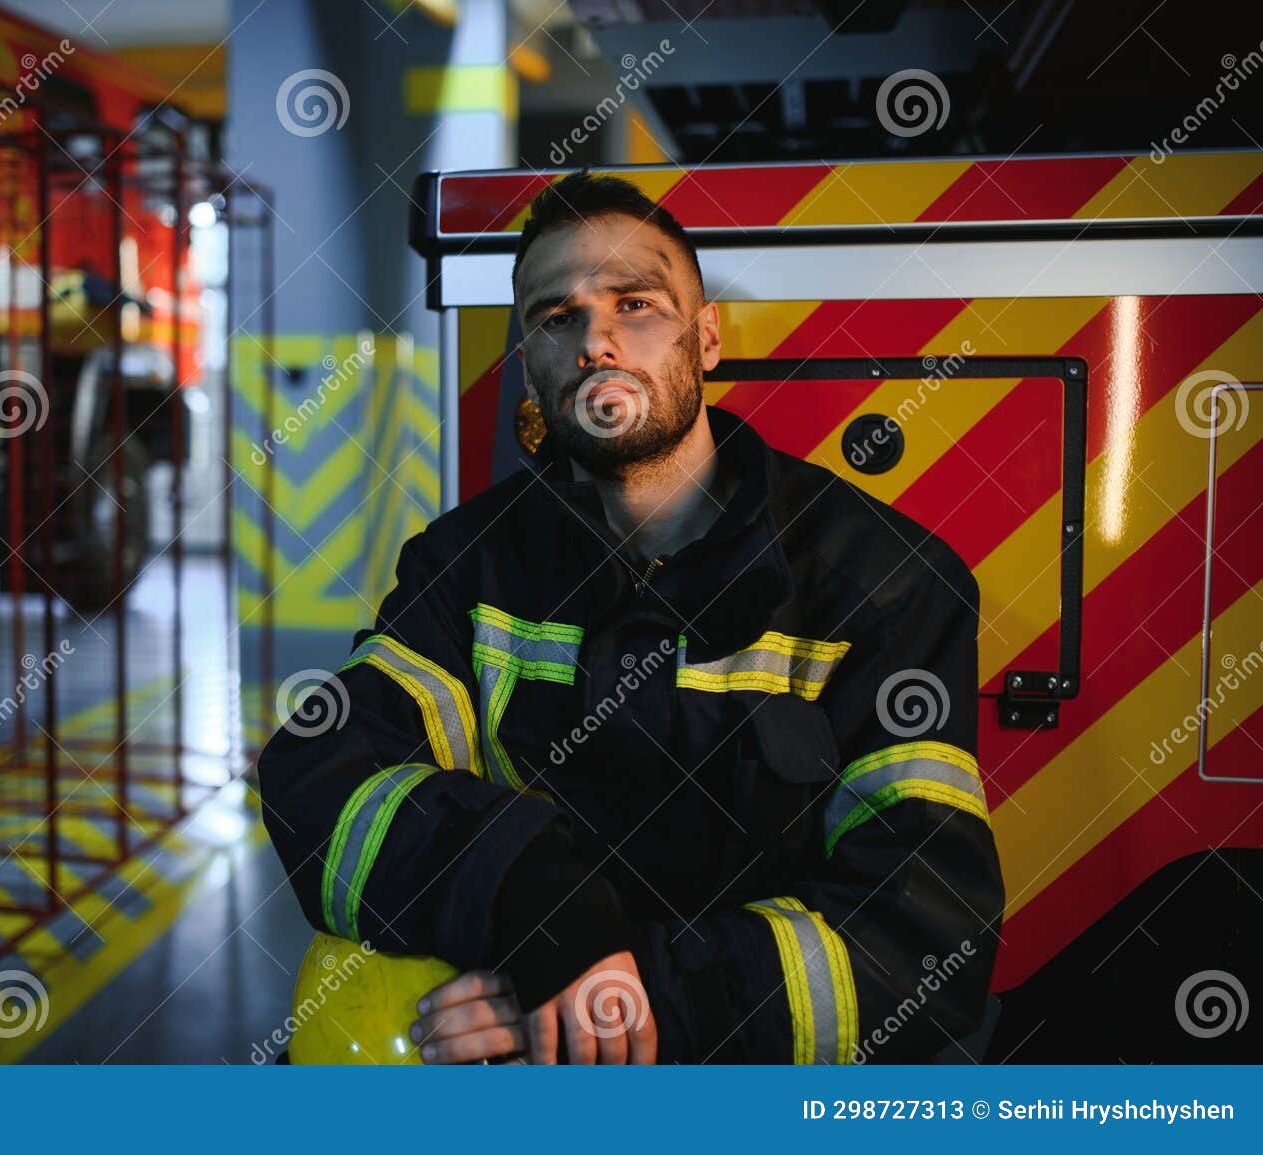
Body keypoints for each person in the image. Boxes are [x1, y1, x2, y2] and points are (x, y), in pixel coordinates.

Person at [258, 171, 1004, 1064]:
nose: (597, 341)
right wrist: (530, 896)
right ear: (530, 365)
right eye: (556, 317)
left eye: (636, 304)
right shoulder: (466, 566)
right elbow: (323, 770)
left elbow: (925, 930)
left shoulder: (881, 581)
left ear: (708, 338)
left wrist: (642, 992)